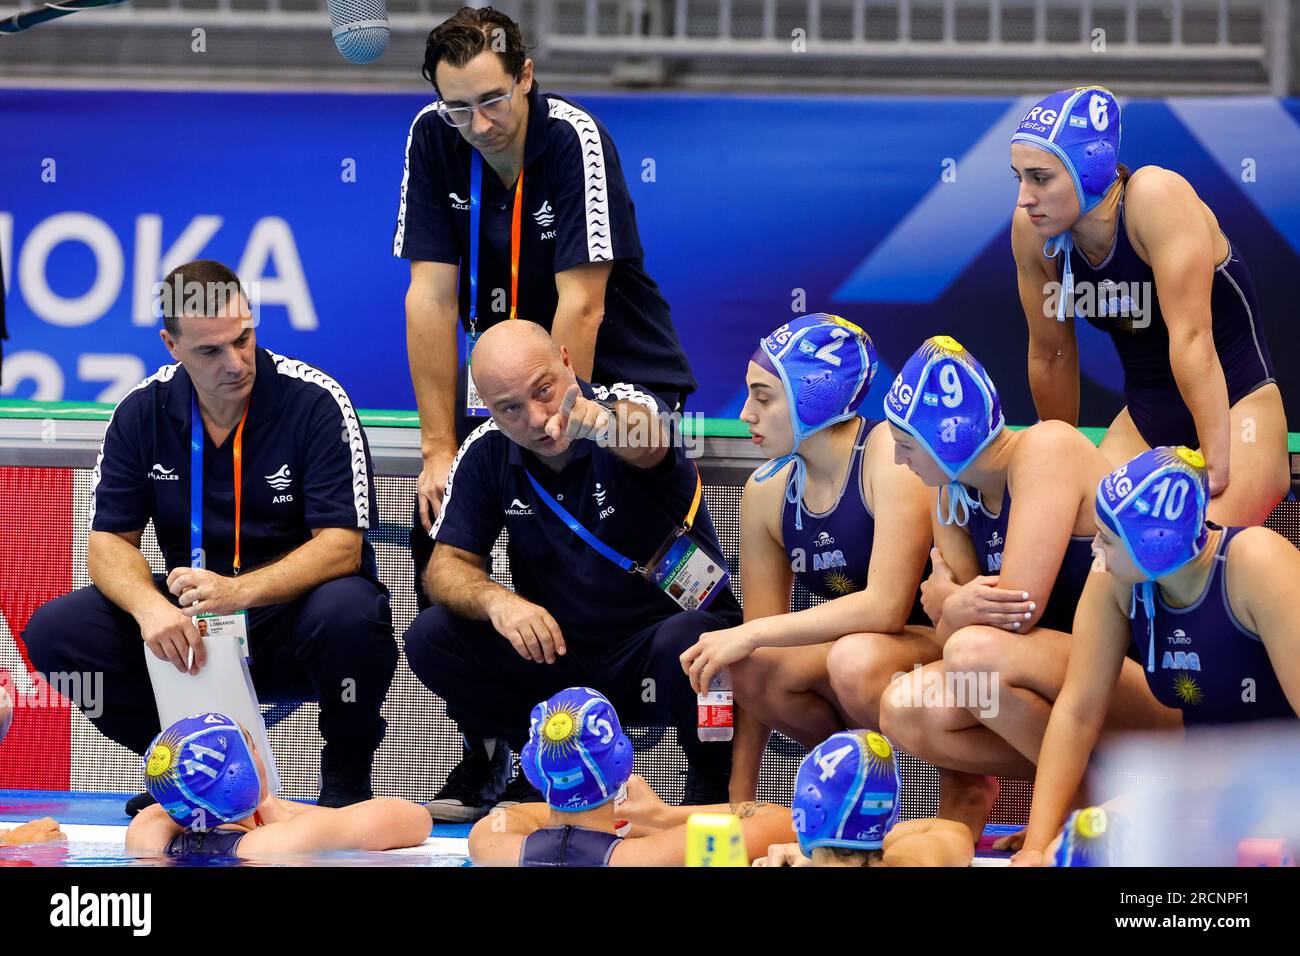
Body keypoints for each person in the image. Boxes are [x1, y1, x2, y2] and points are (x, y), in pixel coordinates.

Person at [22, 260, 397, 813]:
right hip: (194, 622)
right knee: (57, 631)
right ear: (171, 344)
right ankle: (185, 768)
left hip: (289, 618)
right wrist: (151, 609)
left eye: (243, 338)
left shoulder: (316, 401)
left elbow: (342, 545)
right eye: (210, 351)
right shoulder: (140, 412)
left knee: (352, 610)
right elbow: (107, 544)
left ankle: (344, 782)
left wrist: (239, 591)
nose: (236, 362)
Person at [395, 4, 695, 584]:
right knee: (438, 524)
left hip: (611, 378)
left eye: (492, 100)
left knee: (603, 538)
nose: (478, 124)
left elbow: (583, 304)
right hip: (509, 393)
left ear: (525, 77)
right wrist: (438, 448)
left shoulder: (572, 140)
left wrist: (566, 425)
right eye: (458, 107)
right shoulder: (431, 136)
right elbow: (429, 299)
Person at [404, 320, 741, 821]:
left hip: (657, 646)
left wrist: (599, 422)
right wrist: (500, 600)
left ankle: (709, 790)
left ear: (566, 360)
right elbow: (445, 568)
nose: (539, 419)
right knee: (432, 634)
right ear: (489, 408)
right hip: (561, 652)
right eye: (509, 408)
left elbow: (652, 440)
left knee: (691, 639)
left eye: (545, 391)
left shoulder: (622, 405)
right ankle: (540, 765)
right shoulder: (486, 450)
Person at [871, 335, 1177, 841]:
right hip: (1063, 687)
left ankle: (1076, 815)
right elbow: (957, 631)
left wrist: (950, 602)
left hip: (1147, 687)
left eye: (906, 446)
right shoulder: (948, 491)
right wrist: (957, 611)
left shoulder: (1047, 447)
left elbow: (1014, 611)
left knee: (976, 656)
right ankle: (1077, 805)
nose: (901, 462)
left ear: (943, 437)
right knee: (905, 709)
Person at [678, 314, 936, 802]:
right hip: (852, 657)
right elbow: (758, 648)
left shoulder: (888, 455)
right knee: (750, 667)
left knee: (852, 659)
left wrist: (748, 632)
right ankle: (852, 785)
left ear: (812, 397)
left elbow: (886, 609)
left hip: (935, 648)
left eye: (764, 397)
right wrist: (742, 796)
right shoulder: (766, 492)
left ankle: (959, 789)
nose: (745, 415)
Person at [1010, 85, 1288, 525]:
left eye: (1040, 178)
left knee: (1189, 542)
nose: (1025, 197)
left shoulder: (1155, 199)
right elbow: (1052, 354)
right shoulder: (1033, 232)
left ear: (1089, 169)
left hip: (1236, 410)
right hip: (1146, 419)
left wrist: (1214, 466)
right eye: (1019, 177)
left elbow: (1193, 338)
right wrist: (1061, 460)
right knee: (1086, 533)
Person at [1014, 447, 1300, 866]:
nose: (1096, 547)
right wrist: (1035, 848)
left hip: (1284, 775)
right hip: (1207, 779)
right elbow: (1077, 712)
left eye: (1108, 538)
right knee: (1080, 852)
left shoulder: (1255, 563)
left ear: (1155, 545)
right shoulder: (1115, 579)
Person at [467, 688, 793, 866]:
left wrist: (585, 808)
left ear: (535, 774)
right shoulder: (657, 854)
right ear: (623, 764)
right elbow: (782, 822)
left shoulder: (491, 844)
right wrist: (661, 816)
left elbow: (521, 816)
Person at [126, 713, 430, 859]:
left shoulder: (146, 832)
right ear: (240, 774)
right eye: (252, 747)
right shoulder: (274, 843)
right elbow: (414, 820)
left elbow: (178, 802)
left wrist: (258, 802)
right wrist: (275, 808)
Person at [754, 729, 973, 867]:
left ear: (806, 813)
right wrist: (854, 838)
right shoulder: (908, 861)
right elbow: (954, 832)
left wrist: (823, 847)